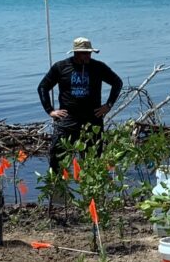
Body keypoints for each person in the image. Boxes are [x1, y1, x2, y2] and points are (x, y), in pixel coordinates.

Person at [37, 36, 123, 171]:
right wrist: (50, 111)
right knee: (57, 160)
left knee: (93, 162)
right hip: (67, 119)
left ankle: (91, 190)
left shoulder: (98, 67)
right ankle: (57, 189)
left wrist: (108, 105)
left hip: (92, 119)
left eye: (90, 53)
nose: (88, 56)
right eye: (85, 53)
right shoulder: (61, 67)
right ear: (76, 53)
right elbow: (42, 87)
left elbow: (117, 82)